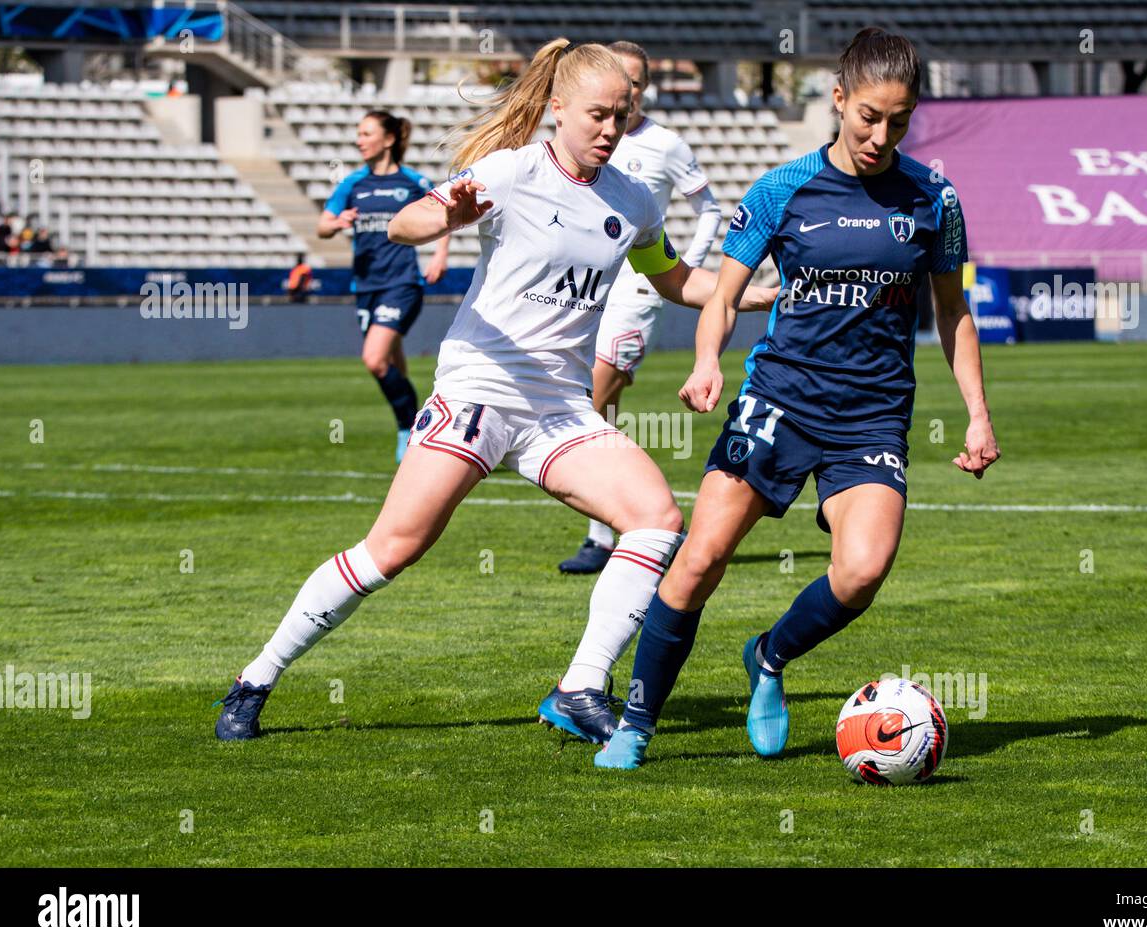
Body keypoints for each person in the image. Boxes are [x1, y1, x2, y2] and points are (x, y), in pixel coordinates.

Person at [213, 38, 776, 744]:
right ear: (557, 108)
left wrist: (751, 293)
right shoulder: (512, 172)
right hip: (479, 389)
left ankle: (579, 685)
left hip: (559, 409)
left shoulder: (631, 199)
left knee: (658, 519)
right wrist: (444, 215)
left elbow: (673, 279)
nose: (610, 129)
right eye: (597, 114)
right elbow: (404, 220)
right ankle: (254, 678)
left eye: (622, 114)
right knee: (392, 548)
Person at [596, 27, 1002, 769]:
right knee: (699, 559)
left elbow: (953, 311)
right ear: (838, 99)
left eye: (900, 121)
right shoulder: (781, 189)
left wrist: (977, 412)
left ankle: (769, 657)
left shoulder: (934, 198)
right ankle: (636, 723)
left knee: (862, 572)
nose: (882, 135)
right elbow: (721, 296)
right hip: (778, 401)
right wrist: (706, 361)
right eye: (869, 116)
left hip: (873, 414)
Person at [557, 40, 723, 574]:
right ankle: (621, 522)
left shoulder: (666, 145)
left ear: (642, 88)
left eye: (629, 82)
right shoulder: (581, 143)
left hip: (638, 289)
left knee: (600, 390)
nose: (620, 90)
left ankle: (602, 531)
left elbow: (709, 209)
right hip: (590, 285)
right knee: (593, 400)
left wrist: (682, 270)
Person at [319, 110, 451, 462]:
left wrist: (439, 255)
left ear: (388, 139)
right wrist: (336, 224)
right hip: (365, 285)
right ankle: (422, 431)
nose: (359, 140)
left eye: (366, 133)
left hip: (402, 283)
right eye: (358, 134)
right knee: (393, 361)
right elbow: (322, 225)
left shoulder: (412, 182)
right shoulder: (352, 184)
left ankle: (410, 426)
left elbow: (444, 212)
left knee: (375, 360)